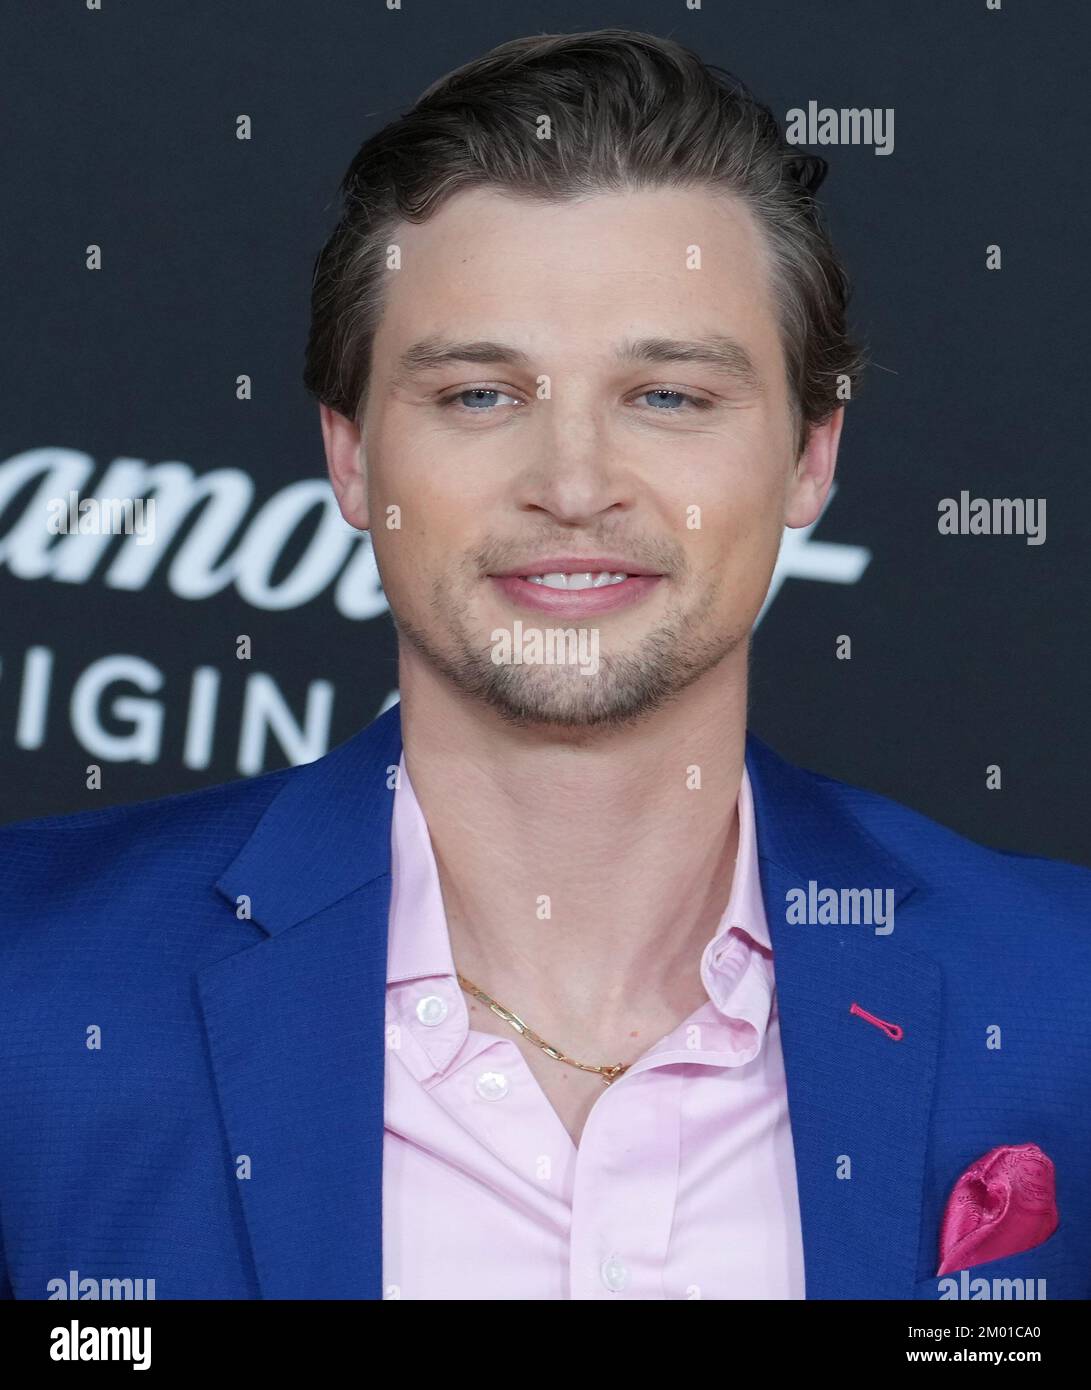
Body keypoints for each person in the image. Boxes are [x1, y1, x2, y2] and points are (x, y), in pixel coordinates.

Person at [2, 28, 1088, 1302]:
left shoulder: (1058, 997)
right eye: (478, 395)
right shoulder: (31, 987)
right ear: (351, 457)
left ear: (809, 455)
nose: (573, 487)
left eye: (668, 396)